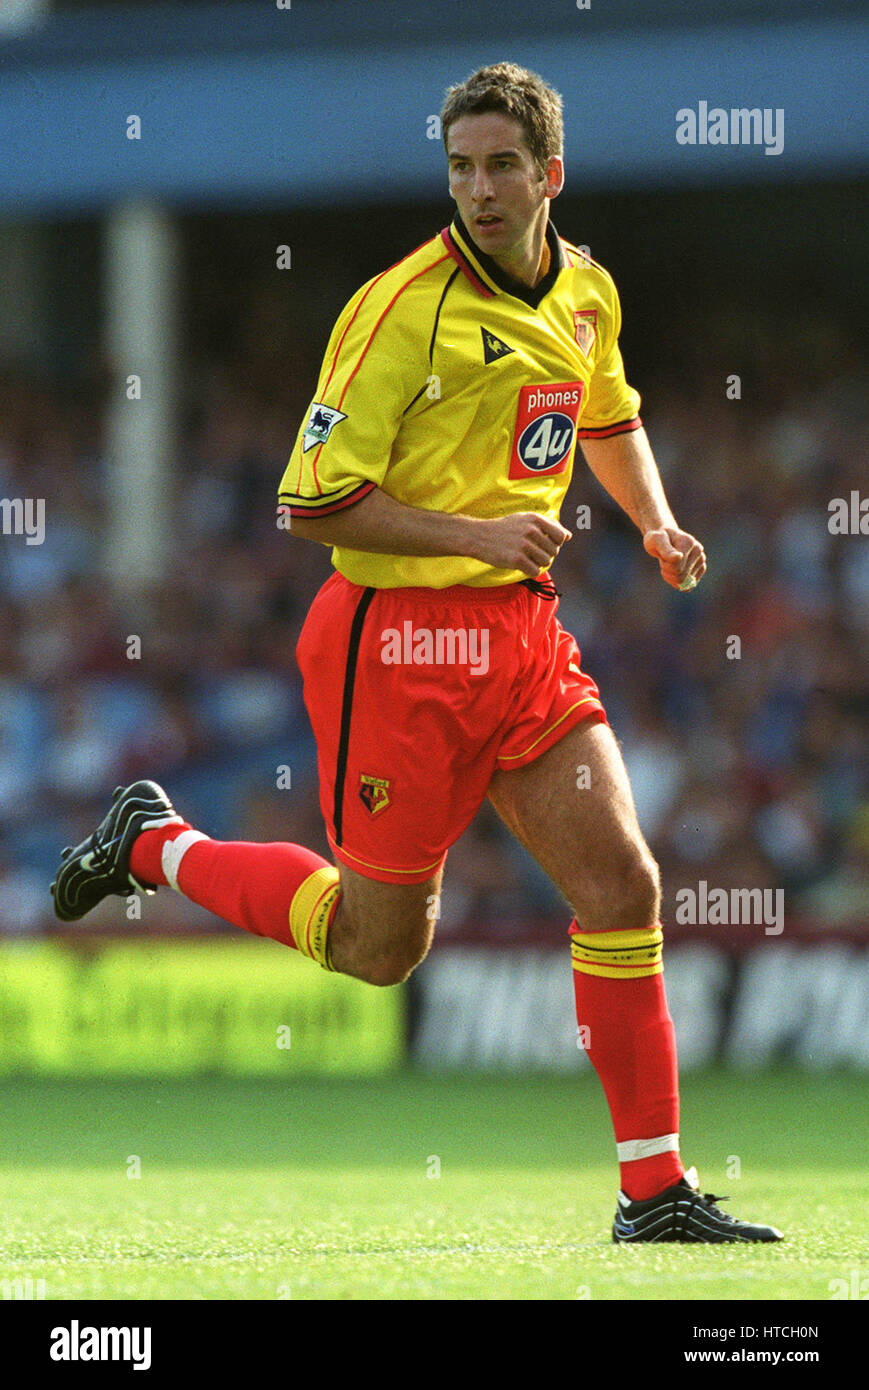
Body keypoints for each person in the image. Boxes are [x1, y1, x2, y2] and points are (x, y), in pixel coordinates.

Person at [52, 63, 781, 1244]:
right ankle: (154, 843)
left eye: (500, 167)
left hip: (521, 634)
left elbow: (607, 412)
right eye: (458, 167)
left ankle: (652, 1192)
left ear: (549, 175)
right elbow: (311, 499)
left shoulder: (583, 291)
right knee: (378, 948)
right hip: (393, 642)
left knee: (623, 884)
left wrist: (650, 519)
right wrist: (476, 531)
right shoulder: (399, 310)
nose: (477, 190)